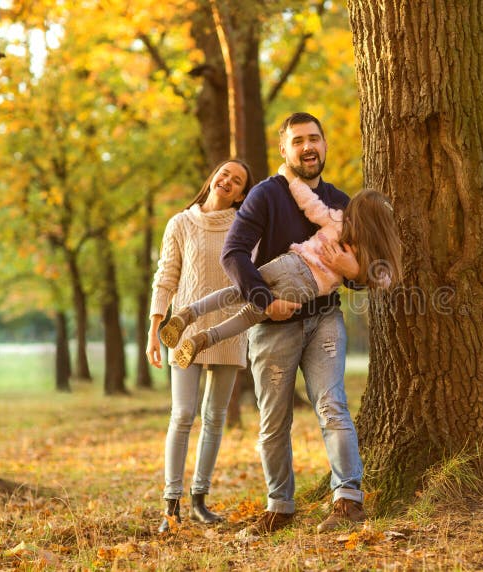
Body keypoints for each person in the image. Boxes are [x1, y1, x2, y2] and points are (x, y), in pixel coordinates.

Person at [221, 112, 388, 535]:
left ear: (325, 144)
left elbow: (369, 273)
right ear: (285, 150)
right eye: (298, 141)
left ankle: (348, 500)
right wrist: (265, 300)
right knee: (273, 420)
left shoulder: (341, 202)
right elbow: (234, 254)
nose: (308, 147)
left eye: (314, 138)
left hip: (324, 321)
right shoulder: (265, 196)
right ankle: (280, 507)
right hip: (272, 324)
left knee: (333, 406)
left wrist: (354, 270)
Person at [159, 167, 401, 371]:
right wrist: (356, 271)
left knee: (240, 291)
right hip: (304, 287)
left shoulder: (336, 219)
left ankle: (188, 313)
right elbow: (384, 280)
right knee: (249, 316)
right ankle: (204, 339)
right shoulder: (370, 253)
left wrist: (288, 176)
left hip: (289, 262)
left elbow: (308, 202)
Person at [146, 159, 254, 533]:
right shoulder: (181, 223)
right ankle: (170, 502)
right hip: (184, 330)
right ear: (212, 178)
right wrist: (154, 328)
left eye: (236, 180)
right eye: (224, 173)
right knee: (182, 414)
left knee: (215, 417)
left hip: (228, 330)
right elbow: (166, 276)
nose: (227, 181)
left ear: (241, 194)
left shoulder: (245, 227)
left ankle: (199, 499)